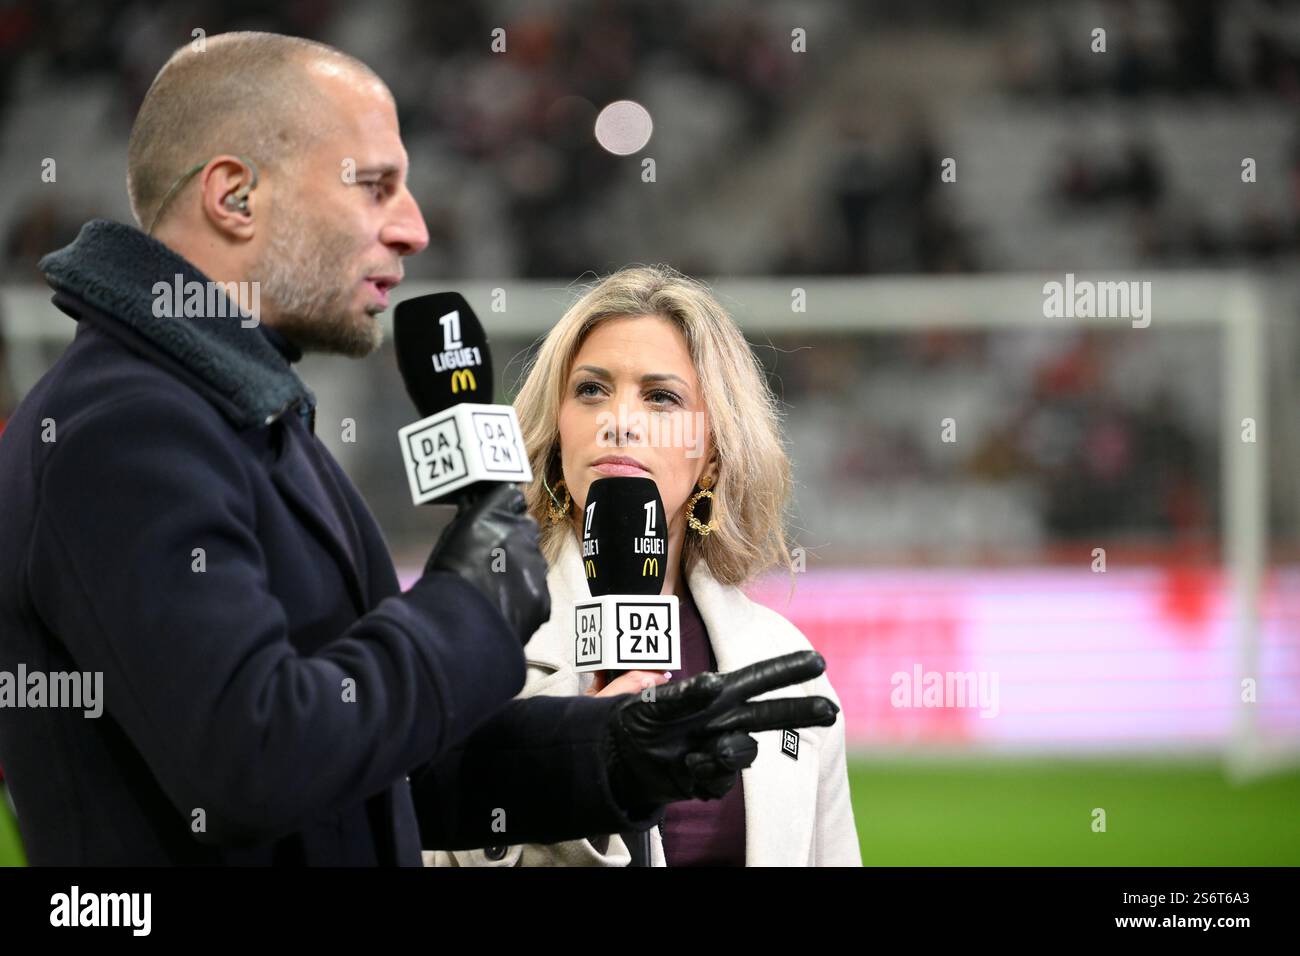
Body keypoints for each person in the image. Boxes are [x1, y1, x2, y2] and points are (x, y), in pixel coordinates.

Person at [0, 33, 837, 865]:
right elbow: (250, 761)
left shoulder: (237, 420)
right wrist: (467, 606)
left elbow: (377, 772)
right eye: (375, 188)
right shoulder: (128, 429)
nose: (413, 227)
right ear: (235, 196)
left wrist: (611, 754)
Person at [430, 265, 861, 867]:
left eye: (660, 397)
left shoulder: (786, 666)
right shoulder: (464, 639)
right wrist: (589, 756)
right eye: (591, 390)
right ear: (558, 434)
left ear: (713, 451)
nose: (619, 420)